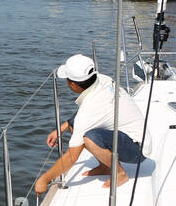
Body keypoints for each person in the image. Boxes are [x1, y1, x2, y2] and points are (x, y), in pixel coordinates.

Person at [35, 54, 149, 193]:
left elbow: (72, 156)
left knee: (89, 139)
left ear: (73, 84)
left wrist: (45, 179)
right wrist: (62, 128)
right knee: (75, 126)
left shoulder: (89, 110)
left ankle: (120, 173)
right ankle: (105, 166)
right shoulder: (102, 79)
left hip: (138, 149)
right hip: (136, 135)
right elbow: (91, 113)